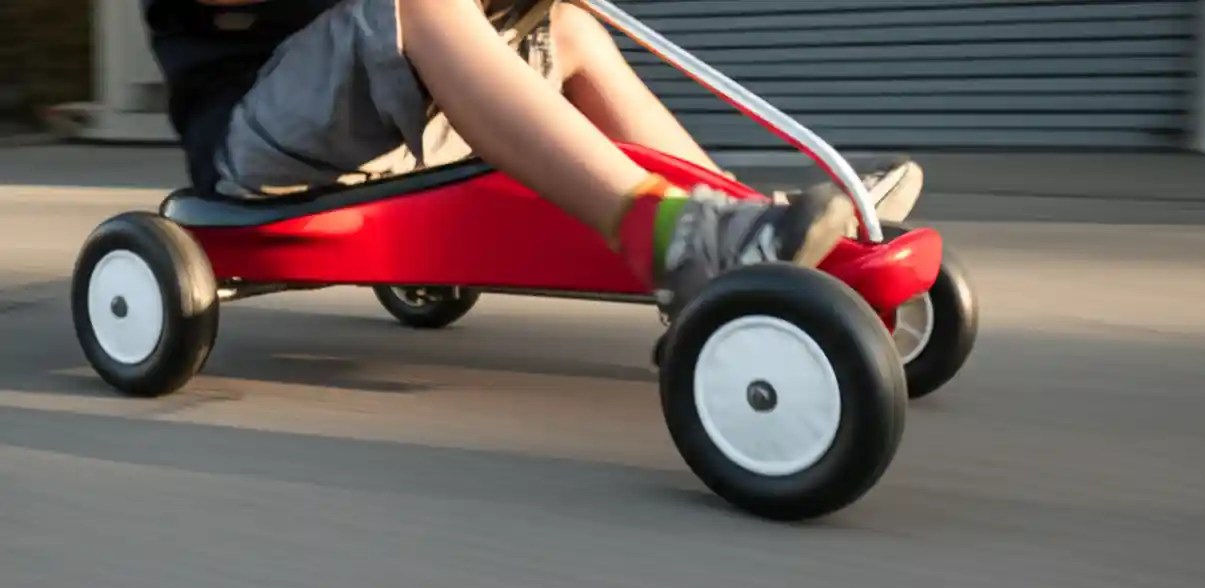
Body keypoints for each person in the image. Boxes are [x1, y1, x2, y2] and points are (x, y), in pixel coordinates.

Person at [142, 0, 923, 317]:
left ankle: (736, 231)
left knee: (572, 25)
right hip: (256, 138)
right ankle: (671, 237)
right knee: (419, 2)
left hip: (374, 119)